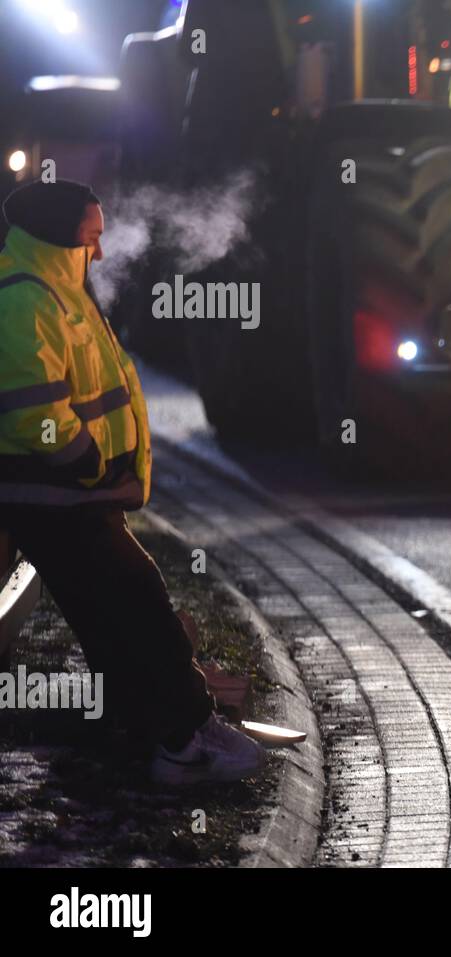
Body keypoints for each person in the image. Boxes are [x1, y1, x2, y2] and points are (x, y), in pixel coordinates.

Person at [0, 180, 265, 786]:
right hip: (54, 494)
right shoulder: (25, 297)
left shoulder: (56, 289)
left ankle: (143, 732)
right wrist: (89, 461)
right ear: (59, 237)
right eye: (91, 236)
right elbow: (32, 414)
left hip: (71, 494)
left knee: (111, 611)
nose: (99, 250)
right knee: (136, 598)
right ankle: (184, 738)